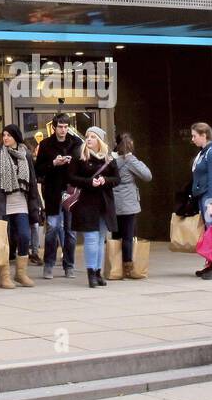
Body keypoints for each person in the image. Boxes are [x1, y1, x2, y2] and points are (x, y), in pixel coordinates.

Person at [0, 125, 41, 290]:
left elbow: (32, 181)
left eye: (9, 135)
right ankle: (5, 276)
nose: (5, 138)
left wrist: (37, 203)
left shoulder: (25, 154)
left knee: (24, 235)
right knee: (3, 241)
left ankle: (20, 273)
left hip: (21, 202)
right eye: (4, 135)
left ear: (16, 137)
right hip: (1, 203)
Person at [70, 127, 120, 289]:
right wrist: (89, 182)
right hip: (85, 203)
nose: (89, 139)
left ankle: (98, 272)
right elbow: (71, 178)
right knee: (91, 238)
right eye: (87, 137)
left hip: (104, 204)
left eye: (93, 137)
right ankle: (91, 273)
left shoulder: (109, 158)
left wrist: (105, 180)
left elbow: (117, 179)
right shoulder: (79, 157)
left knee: (100, 239)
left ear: (100, 140)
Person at [35, 114, 81, 280]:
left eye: (65, 126)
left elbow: (83, 164)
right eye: (60, 126)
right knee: (52, 228)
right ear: (54, 127)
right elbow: (38, 169)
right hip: (53, 191)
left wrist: (71, 162)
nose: (63, 130)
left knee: (71, 231)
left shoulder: (76, 143)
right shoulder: (46, 145)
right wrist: (53, 163)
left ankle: (69, 265)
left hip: (70, 191)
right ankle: (48, 263)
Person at [189, 122, 212, 279]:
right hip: (206, 196)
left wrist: (211, 202)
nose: (192, 139)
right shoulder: (204, 152)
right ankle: (211, 264)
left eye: (194, 136)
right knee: (209, 231)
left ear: (204, 135)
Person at [113, 132, 151, 279]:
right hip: (128, 201)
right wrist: (133, 159)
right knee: (128, 236)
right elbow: (147, 175)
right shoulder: (129, 160)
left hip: (115, 201)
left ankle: (115, 266)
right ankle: (127, 266)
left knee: (116, 236)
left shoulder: (111, 159)